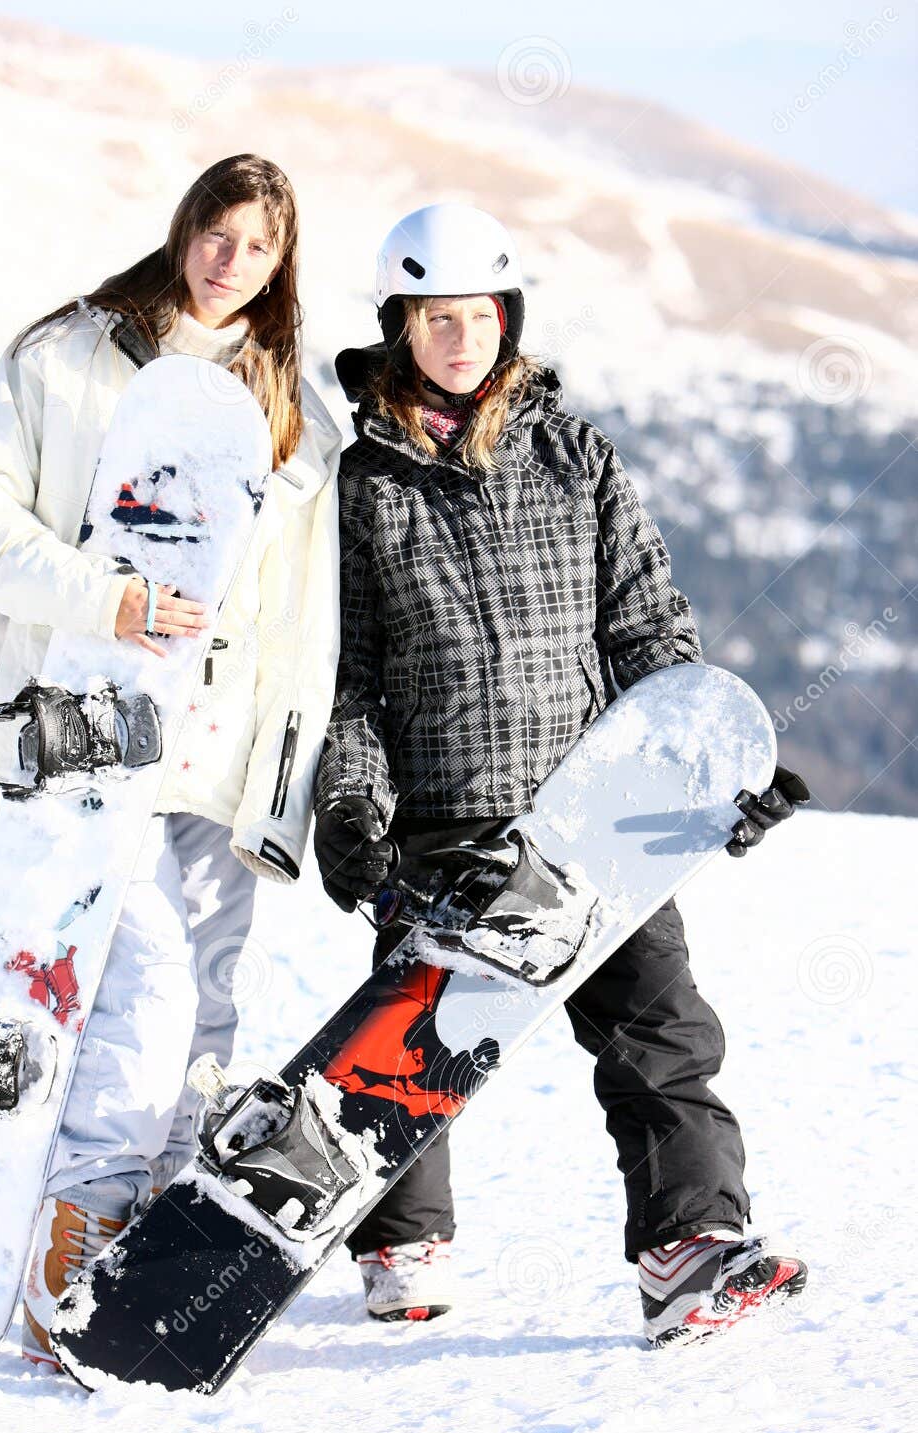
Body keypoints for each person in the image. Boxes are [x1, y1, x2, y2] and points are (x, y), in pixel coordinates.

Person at [314, 203, 809, 1344]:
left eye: (477, 314)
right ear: (399, 325)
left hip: (595, 815)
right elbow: (343, 676)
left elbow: (643, 625)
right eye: (434, 317)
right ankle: (401, 1244)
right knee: (411, 1042)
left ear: (507, 318)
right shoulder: (361, 485)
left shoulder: (571, 451)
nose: (458, 337)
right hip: (442, 811)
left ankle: (687, 1245)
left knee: (659, 1029)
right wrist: (352, 804)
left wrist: (702, 766)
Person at [0, 154, 341, 1367]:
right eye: (214, 232)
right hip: (93, 731)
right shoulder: (70, 354)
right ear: (183, 231)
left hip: (220, 760)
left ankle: (155, 1250)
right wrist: (100, 600)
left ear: (280, 264)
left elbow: (301, 620)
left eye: (256, 245)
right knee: (145, 1001)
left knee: (203, 1014)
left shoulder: (294, 413)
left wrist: (284, 787)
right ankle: (78, 1233)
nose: (228, 260)